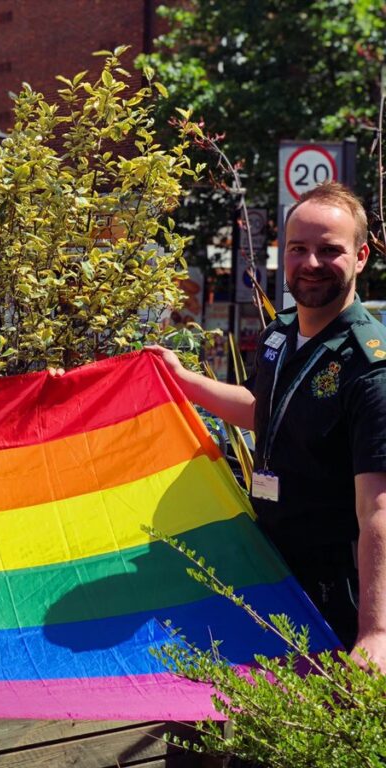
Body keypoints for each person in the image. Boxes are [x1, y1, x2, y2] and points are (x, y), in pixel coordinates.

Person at [150, 182, 386, 671]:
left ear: (361, 257)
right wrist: (179, 379)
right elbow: (263, 409)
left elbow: (378, 513)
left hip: (332, 587)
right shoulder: (281, 333)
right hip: (274, 565)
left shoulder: (372, 368)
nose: (312, 262)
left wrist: (377, 632)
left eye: (330, 250)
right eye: (299, 249)